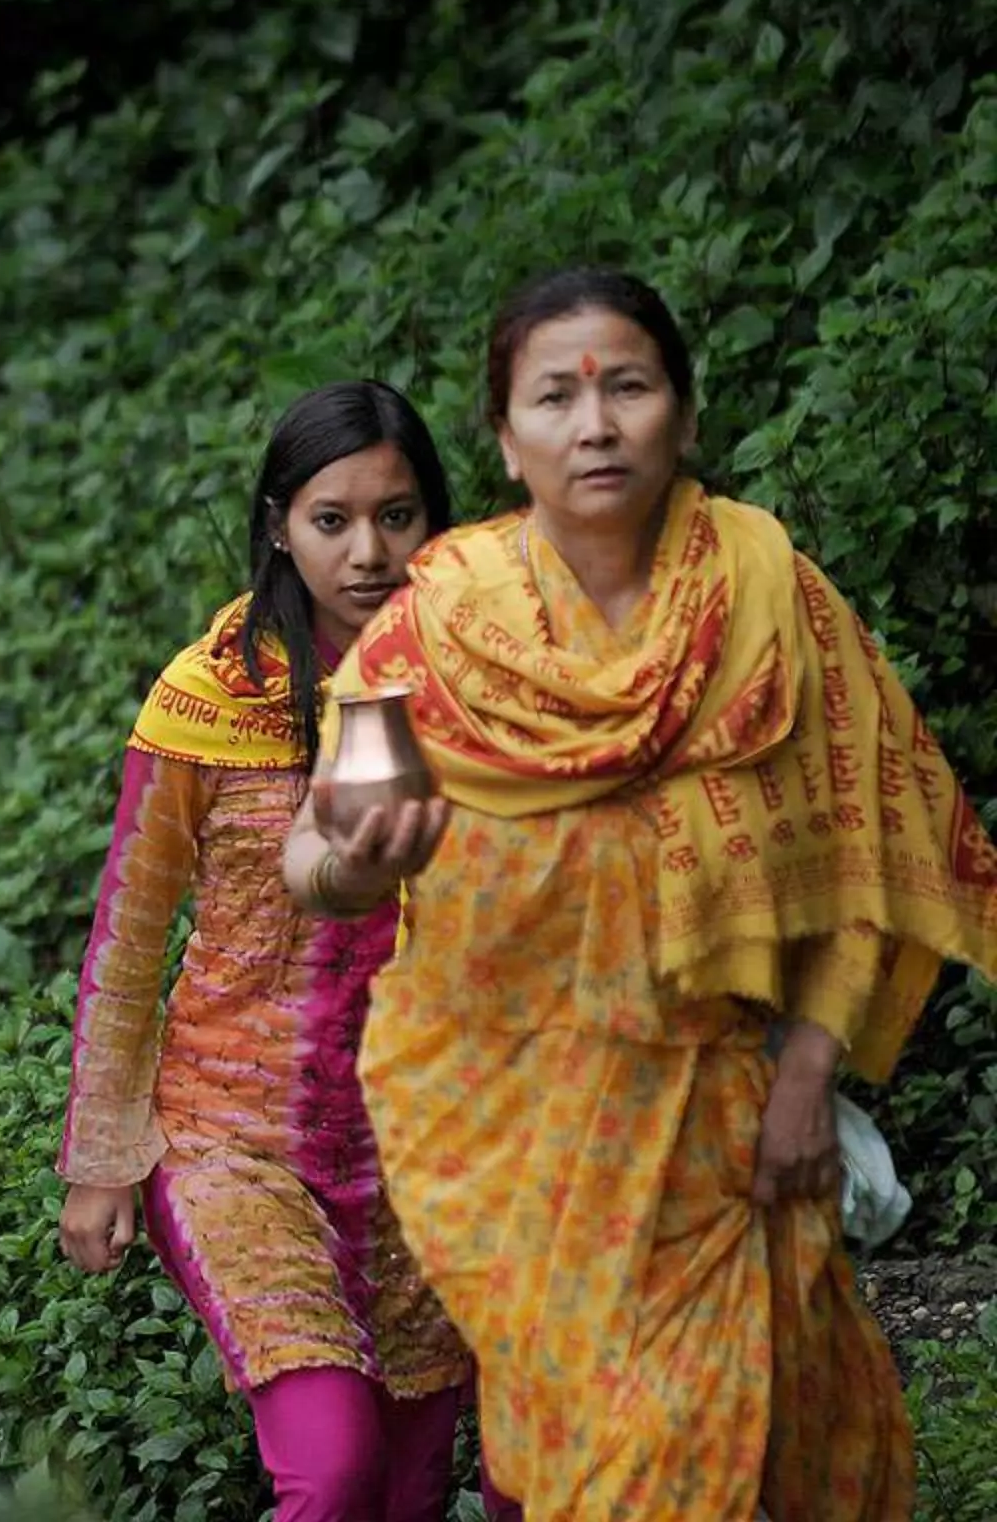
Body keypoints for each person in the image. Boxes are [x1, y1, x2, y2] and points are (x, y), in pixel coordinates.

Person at [285, 266, 997, 1519]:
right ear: (506, 442)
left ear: (682, 411)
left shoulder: (773, 602)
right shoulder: (432, 626)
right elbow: (318, 858)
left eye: (626, 386)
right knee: (609, 1460)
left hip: (717, 1126)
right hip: (493, 1123)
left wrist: (803, 1075)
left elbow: (874, 853)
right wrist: (364, 856)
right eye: (553, 396)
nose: (595, 423)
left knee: (745, 1453)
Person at [58, 383, 504, 1522]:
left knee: (407, 1492)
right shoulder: (209, 696)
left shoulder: (480, 689)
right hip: (231, 1137)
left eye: (396, 517)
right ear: (276, 525)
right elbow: (130, 925)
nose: (366, 552)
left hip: (427, 1140)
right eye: (330, 520)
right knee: (334, 1469)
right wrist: (101, 1154)